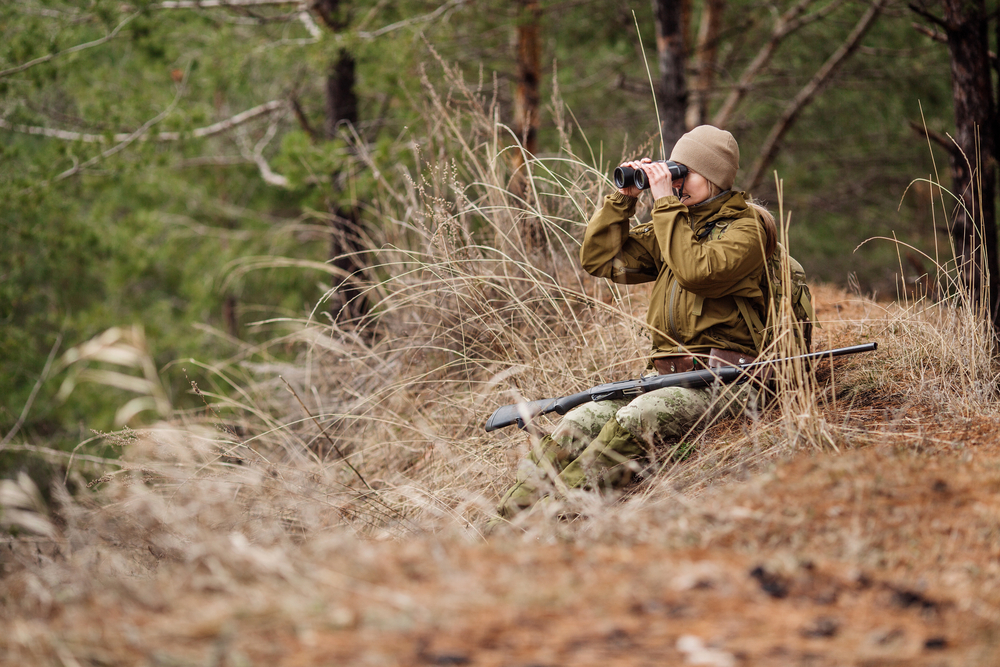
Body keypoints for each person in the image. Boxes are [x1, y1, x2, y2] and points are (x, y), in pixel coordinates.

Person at [494, 125, 778, 521]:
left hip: (728, 382)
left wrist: (664, 204)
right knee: (578, 421)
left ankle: (550, 519)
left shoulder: (745, 229)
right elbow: (601, 259)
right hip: (667, 378)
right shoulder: (676, 224)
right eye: (673, 170)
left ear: (714, 177)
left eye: (685, 172)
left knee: (639, 417)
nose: (675, 181)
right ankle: (499, 527)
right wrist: (622, 202)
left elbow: (697, 271)